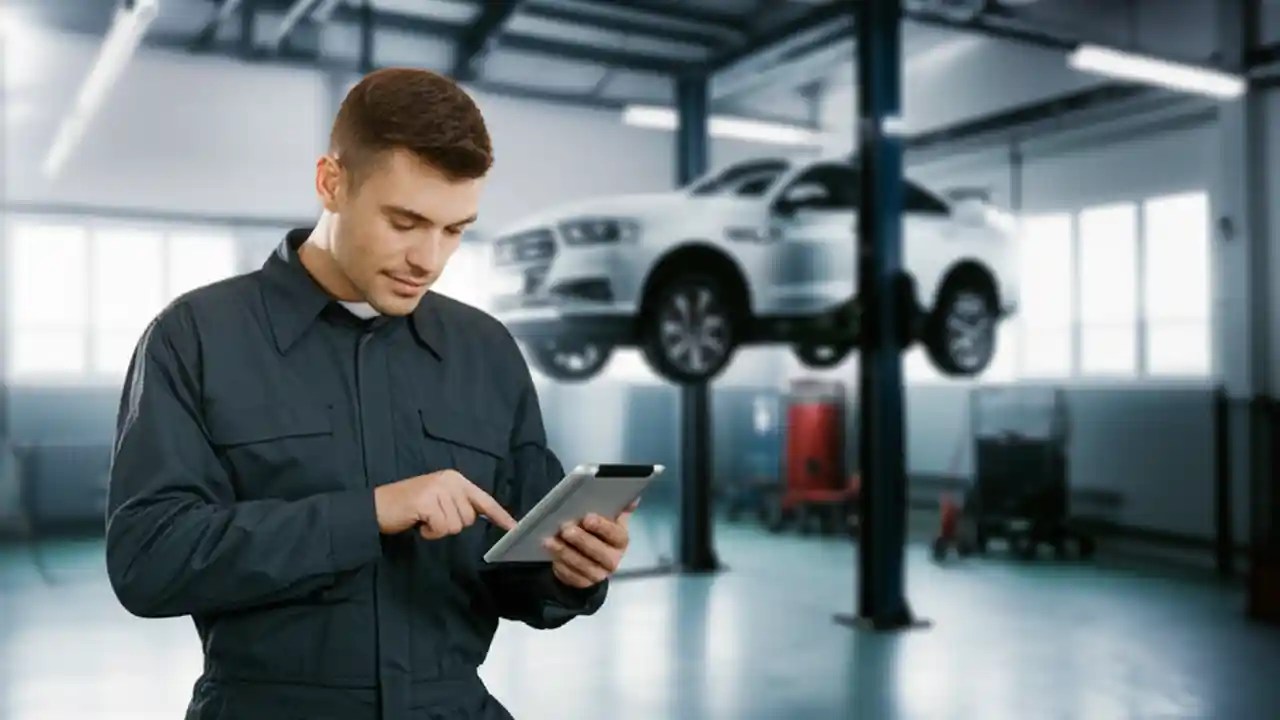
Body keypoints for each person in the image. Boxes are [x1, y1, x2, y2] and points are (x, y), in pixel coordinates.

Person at [104, 67, 635, 720]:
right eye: (405, 221)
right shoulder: (197, 337)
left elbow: (518, 567)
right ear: (331, 182)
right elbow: (149, 562)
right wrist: (370, 513)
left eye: (455, 230)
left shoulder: (486, 351)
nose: (429, 259)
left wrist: (571, 571)